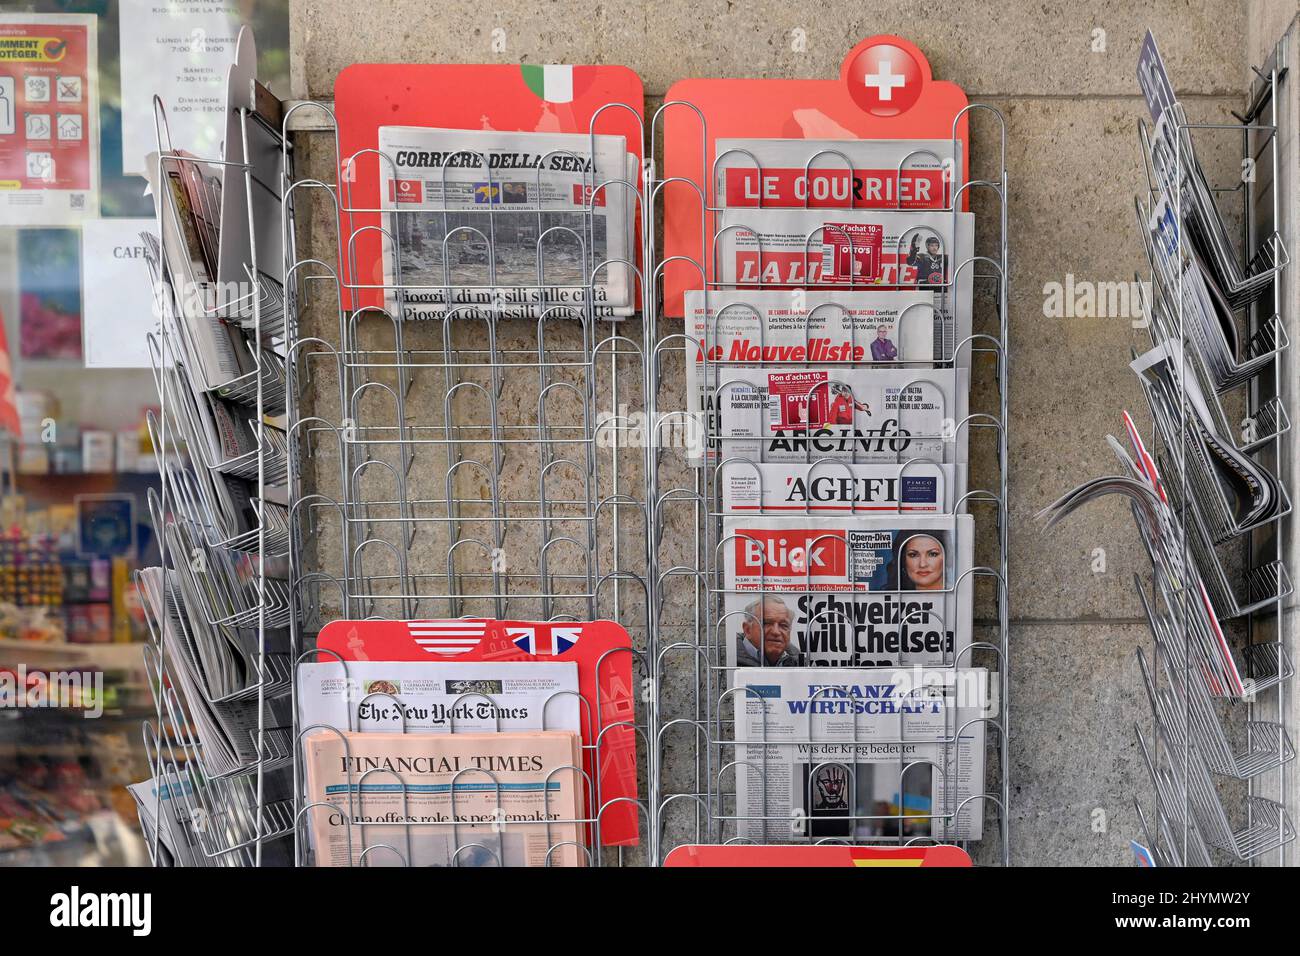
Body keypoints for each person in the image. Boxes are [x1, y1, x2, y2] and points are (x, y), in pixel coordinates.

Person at [736, 596, 801, 666]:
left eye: (783, 625)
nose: (776, 632)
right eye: (767, 623)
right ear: (747, 629)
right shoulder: (729, 660)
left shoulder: (799, 663)